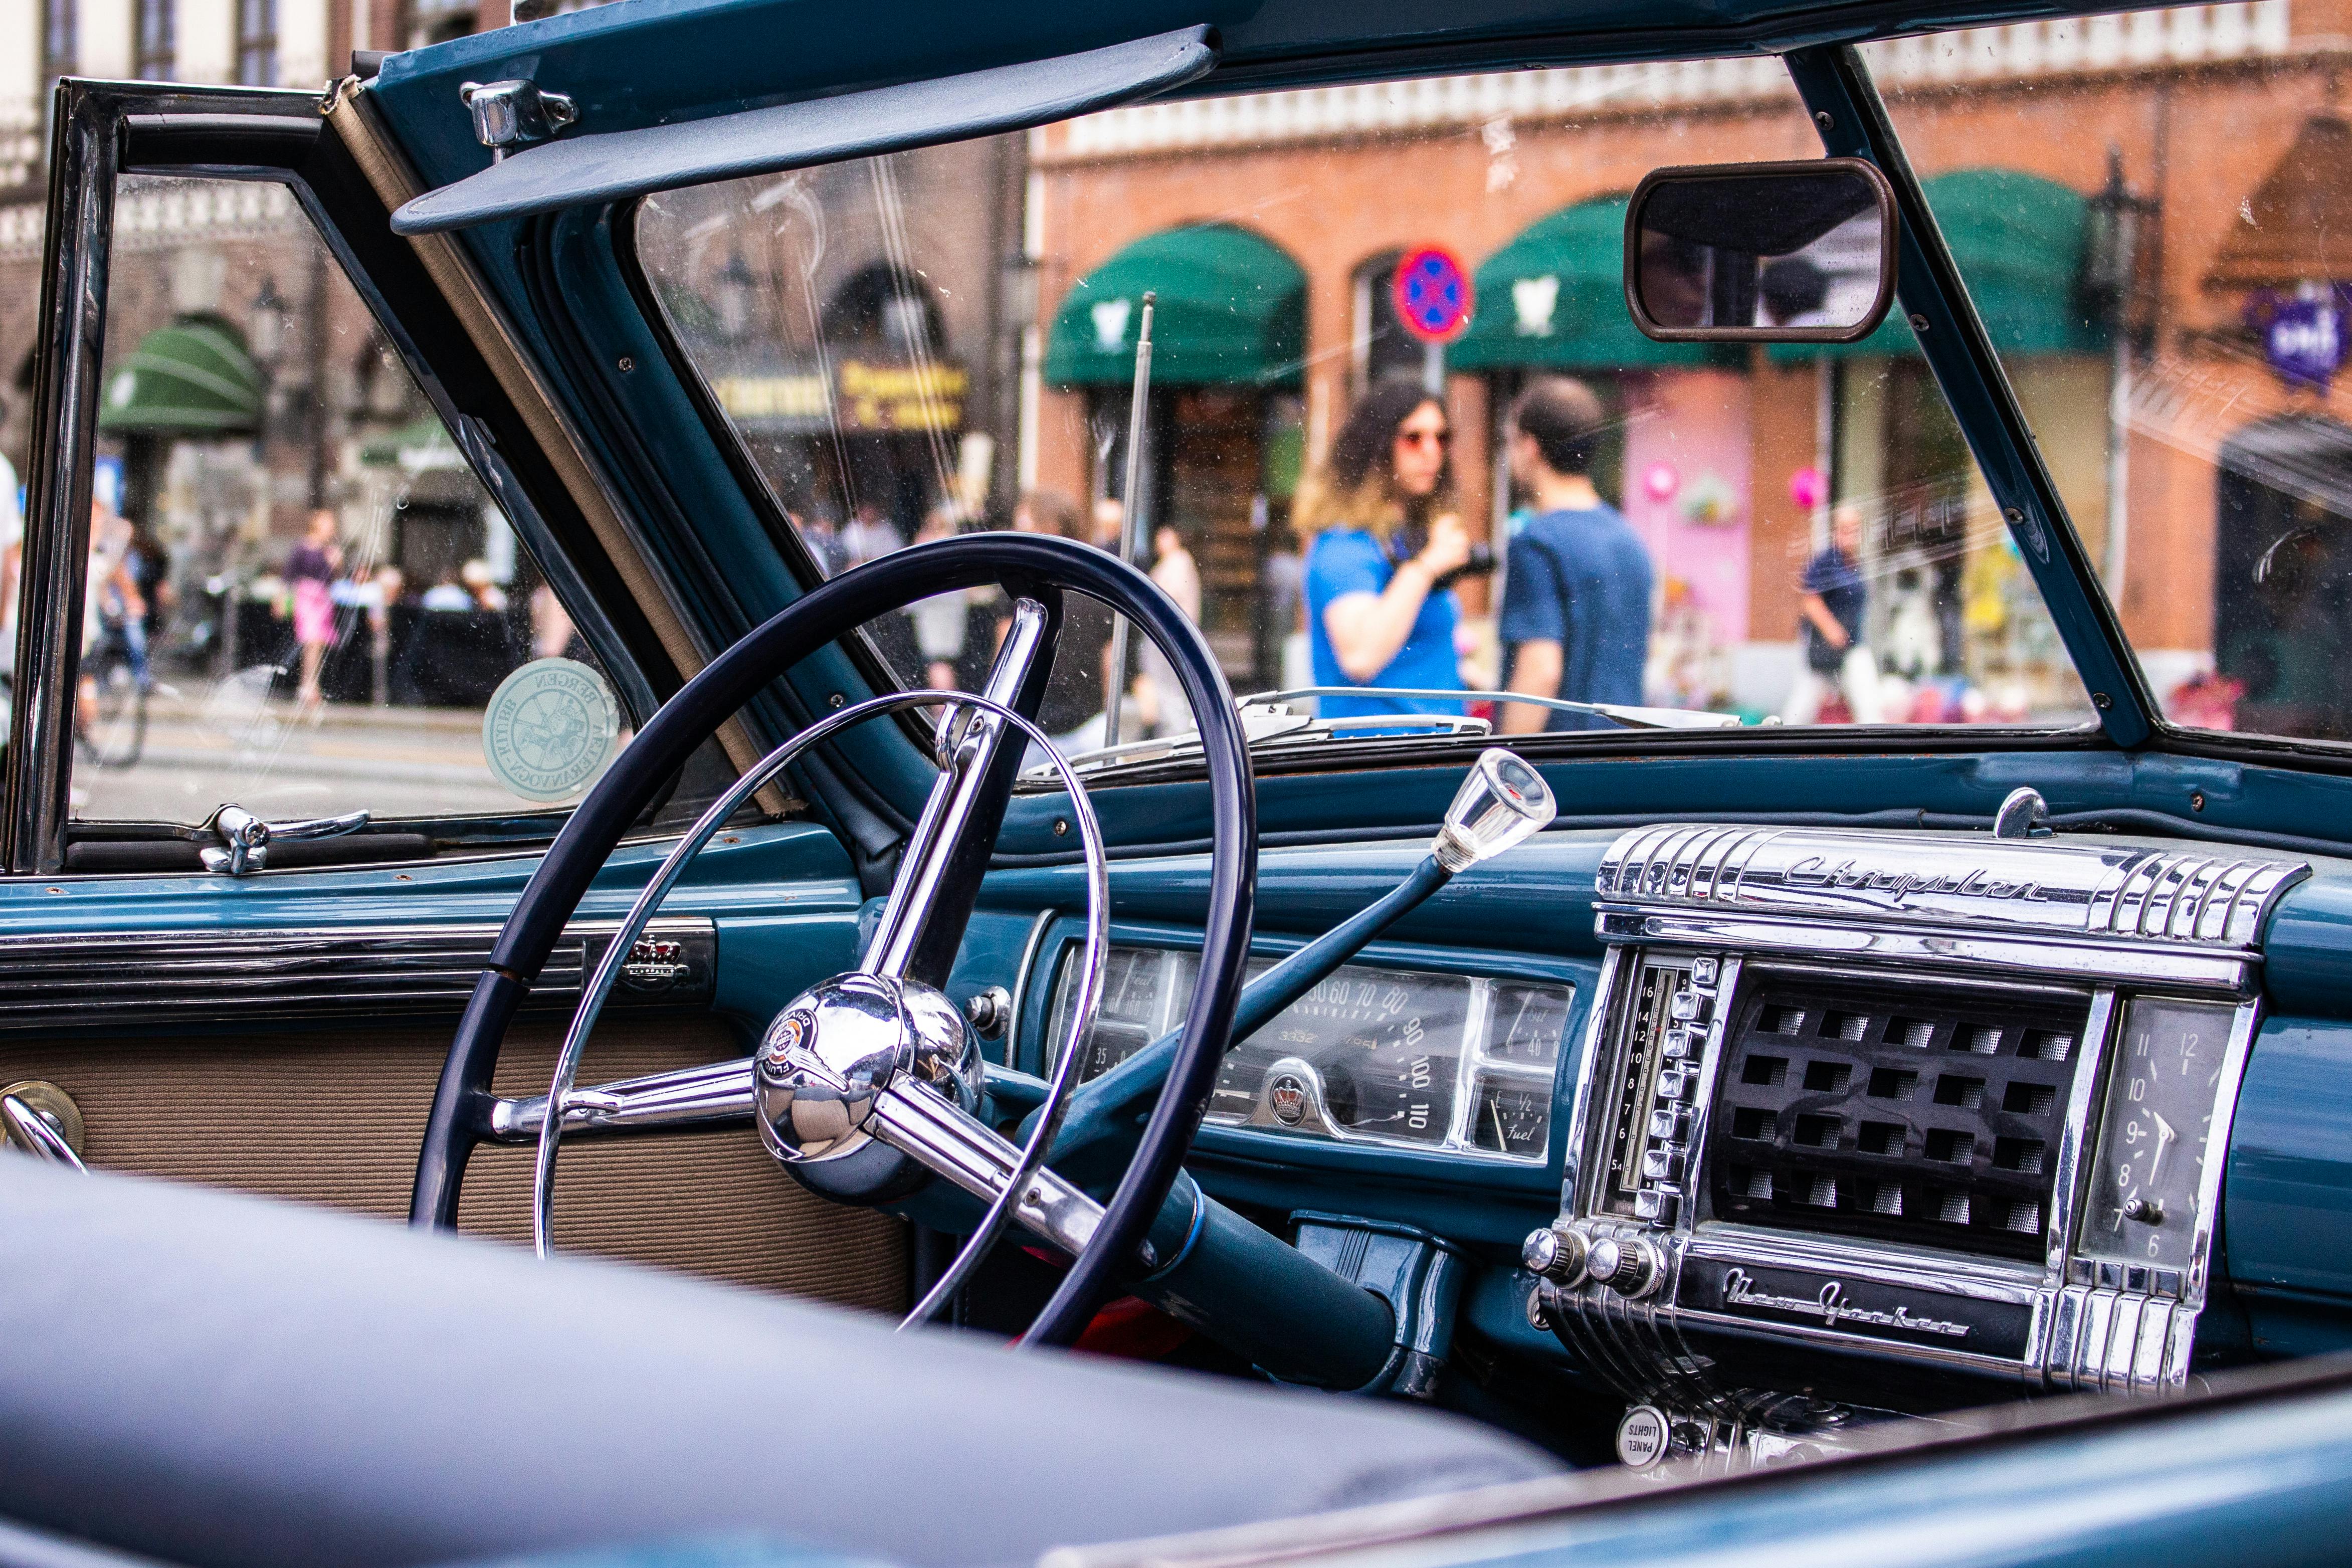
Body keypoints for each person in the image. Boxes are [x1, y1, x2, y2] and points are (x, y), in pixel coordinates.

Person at [1296, 380, 1474, 720]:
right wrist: (1426, 568)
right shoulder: (1344, 544)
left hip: (1440, 753)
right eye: (1413, 438)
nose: (1431, 450)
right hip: (1378, 758)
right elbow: (1360, 656)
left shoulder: (1405, 540)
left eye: (1442, 438)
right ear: (1375, 446)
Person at [1496, 377, 1654, 734]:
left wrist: (1505, 760)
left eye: (1511, 441)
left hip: (1558, 768)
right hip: (1619, 760)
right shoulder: (1630, 540)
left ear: (1530, 446)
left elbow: (1541, 671)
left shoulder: (1537, 542)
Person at [1000, 489, 1116, 754]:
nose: (1017, 536)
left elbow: (1005, 655)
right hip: (1088, 726)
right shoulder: (1095, 584)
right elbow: (1109, 660)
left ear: (1049, 527)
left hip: (1031, 729)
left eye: (1024, 527)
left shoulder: (1017, 585)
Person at [1783, 502, 1882, 724]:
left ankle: (1876, 750)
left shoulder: (1856, 563)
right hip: (1826, 649)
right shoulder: (1826, 562)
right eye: (1845, 528)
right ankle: (1778, 747)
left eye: (1855, 528)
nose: (1851, 534)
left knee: (1868, 704)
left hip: (1854, 644)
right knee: (1801, 709)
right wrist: (1831, 629)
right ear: (1835, 530)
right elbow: (1810, 599)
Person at [1134, 522, 1201, 735]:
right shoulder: (1172, 562)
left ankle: (1178, 732)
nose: (1160, 541)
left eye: (1165, 537)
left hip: (1171, 635)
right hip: (1168, 635)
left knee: (1170, 688)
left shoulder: (1179, 561)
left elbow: (1166, 596)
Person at [287, 510, 343, 710]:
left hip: (323, 599)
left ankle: (311, 685)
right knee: (311, 640)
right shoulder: (303, 548)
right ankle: (308, 685)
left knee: (318, 643)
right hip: (307, 597)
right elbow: (290, 575)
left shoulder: (328, 551)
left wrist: (336, 564)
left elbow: (332, 578)